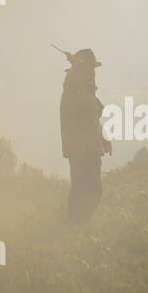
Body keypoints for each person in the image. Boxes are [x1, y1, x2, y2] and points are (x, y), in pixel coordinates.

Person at [59, 48, 110, 223]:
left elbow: (93, 119)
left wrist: (103, 139)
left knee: (94, 190)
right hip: (79, 148)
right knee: (80, 188)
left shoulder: (89, 94)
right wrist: (77, 66)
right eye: (90, 68)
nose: (93, 73)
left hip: (91, 147)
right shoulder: (73, 87)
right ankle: (74, 226)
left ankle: (80, 225)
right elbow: (73, 81)